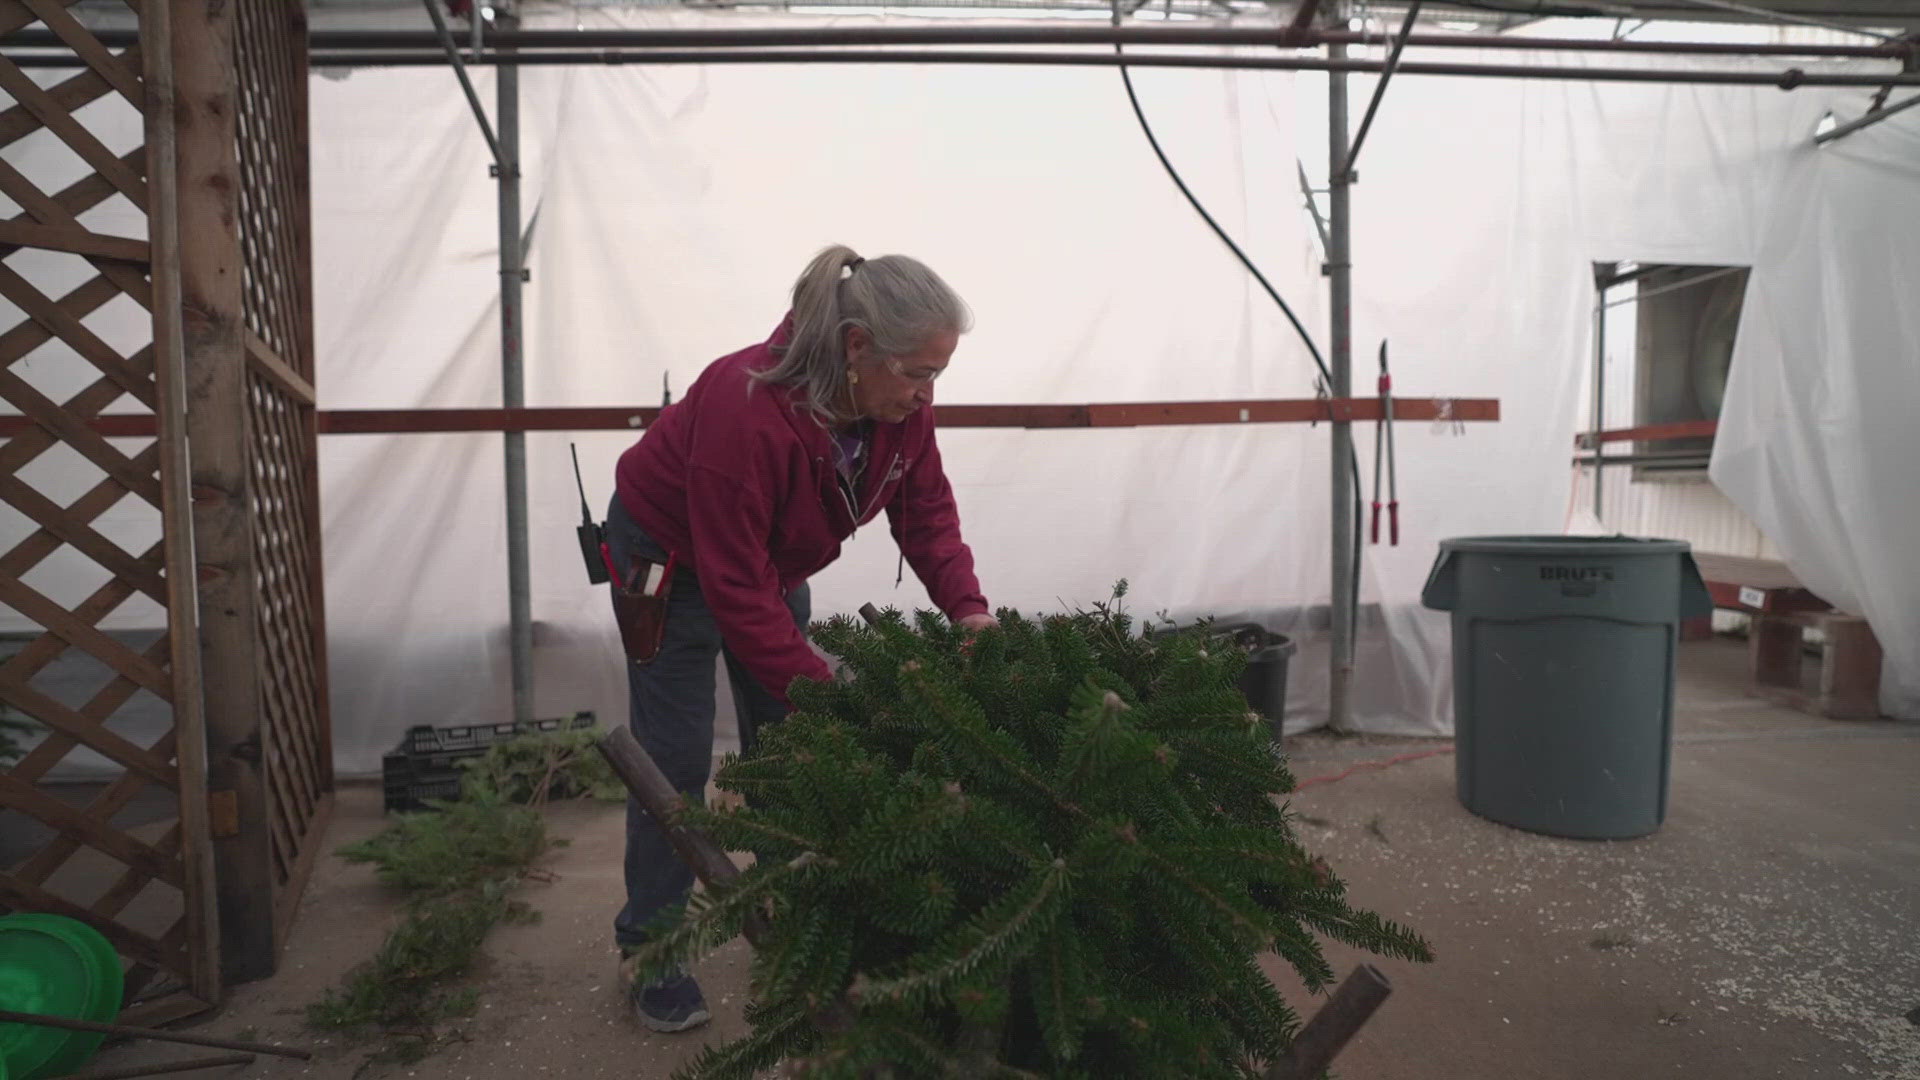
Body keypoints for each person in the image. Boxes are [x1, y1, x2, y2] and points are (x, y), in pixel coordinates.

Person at [604, 245, 996, 1032]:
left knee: (793, 750)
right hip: (669, 556)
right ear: (857, 348)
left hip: (764, 553)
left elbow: (926, 514)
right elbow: (736, 592)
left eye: (937, 377)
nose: (926, 395)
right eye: (917, 373)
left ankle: (794, 925)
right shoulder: (743, 406)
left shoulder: (900, 410)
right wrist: (825, 689)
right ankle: (652, 947)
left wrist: (970, 612)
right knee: (675, 757)